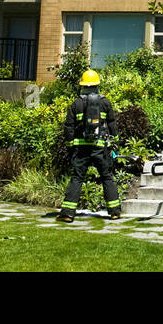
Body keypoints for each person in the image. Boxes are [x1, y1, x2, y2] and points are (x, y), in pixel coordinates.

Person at [58, 69, 121, 222]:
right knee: (107, 177)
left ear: (83, 86)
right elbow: (112, 124)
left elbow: (69, 127)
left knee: (77, 178)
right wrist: (116, 142)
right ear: (97, 85)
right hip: (100, 147)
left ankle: (67, 213)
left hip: (81, 149)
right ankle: (114, 212)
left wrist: (70, 145)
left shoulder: (77, 103)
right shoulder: (105, 102)